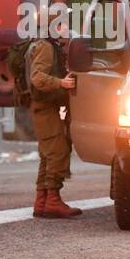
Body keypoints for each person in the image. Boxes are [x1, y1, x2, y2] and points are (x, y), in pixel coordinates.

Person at [27, 22, 81, 219]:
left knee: (47, 155)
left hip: (44, 107)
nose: (65, 27)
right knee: (58, 152)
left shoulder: (43, 44)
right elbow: (37, 77)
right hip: (45, 108)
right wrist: (61, 82)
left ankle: (42, 200)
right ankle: (53, 201)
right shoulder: (46, 47)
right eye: (61, 24)